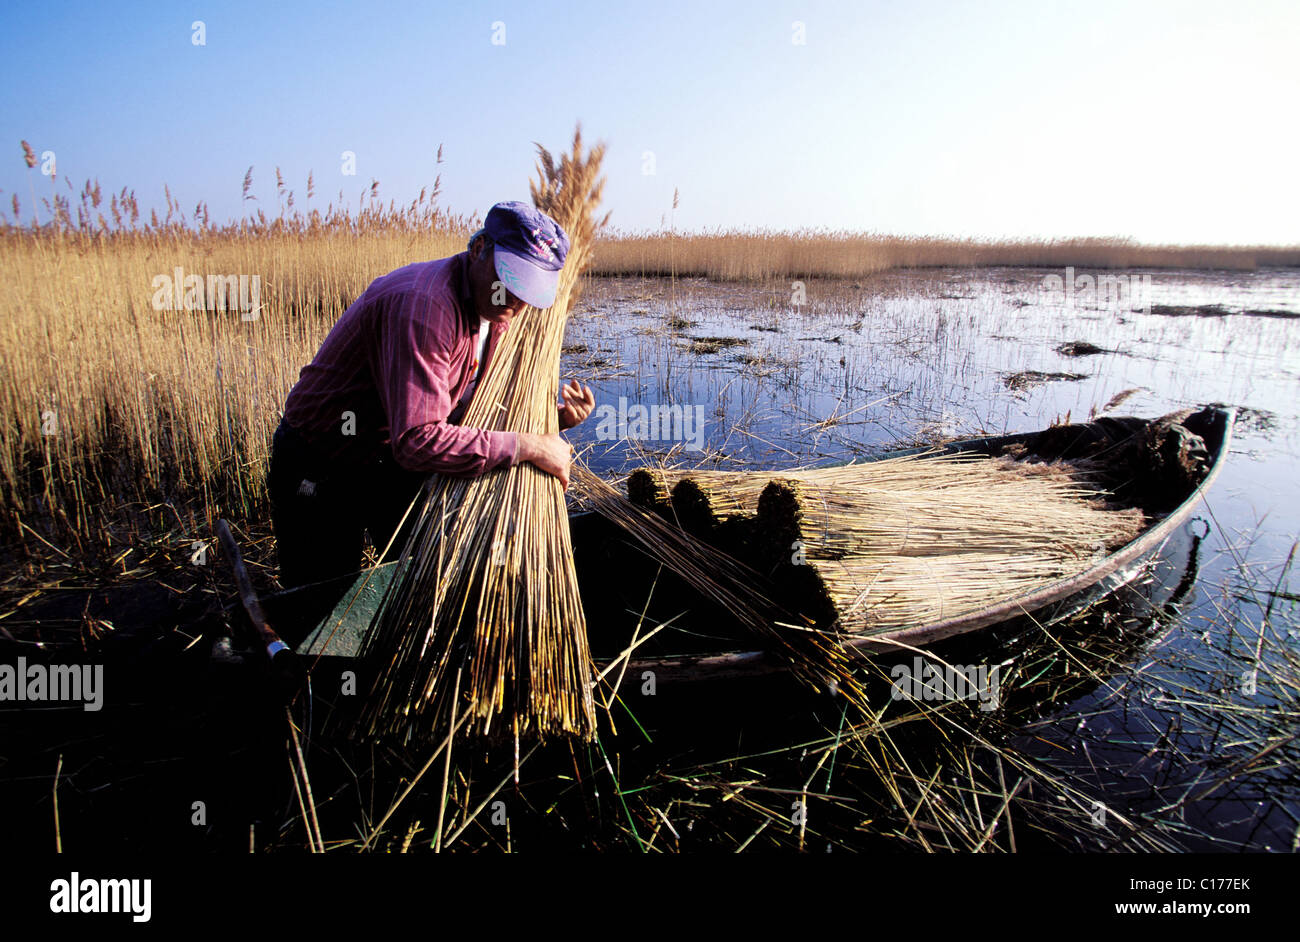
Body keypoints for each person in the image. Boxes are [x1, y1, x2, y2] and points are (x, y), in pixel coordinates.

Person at [269, 201, 595, 590]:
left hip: (386, 457)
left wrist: (554, 421)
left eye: (528, 289)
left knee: (418, 577)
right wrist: (529, 446)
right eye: (508, 279)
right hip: (323, 458)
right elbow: (418, 439)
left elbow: (463, 407)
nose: (515, 299)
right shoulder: (425, 307)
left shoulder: (494, 312)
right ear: (478, 249)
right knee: (321, 598)